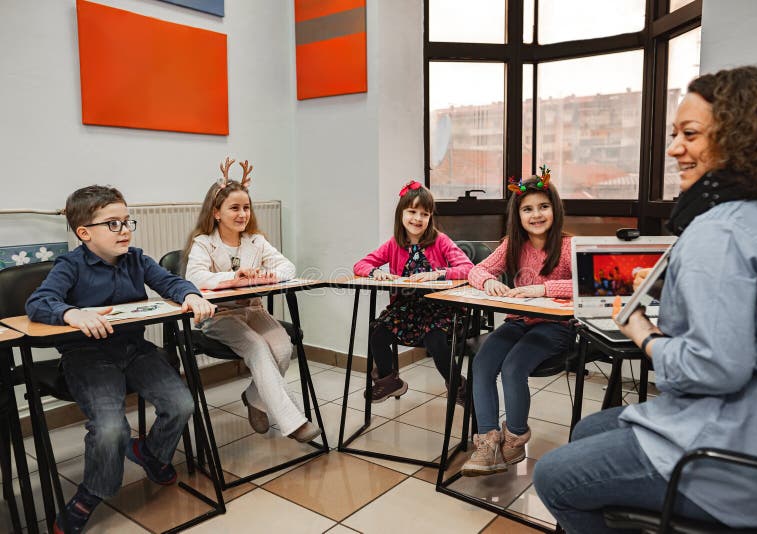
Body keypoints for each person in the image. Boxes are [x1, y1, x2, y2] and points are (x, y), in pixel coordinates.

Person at [533, 65, 757, 532]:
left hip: (741, 463)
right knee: (589, 428)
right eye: (674, 133)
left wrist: (644, 333)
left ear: (741, 139)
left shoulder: (718, 231)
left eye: (690, 134)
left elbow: (715, 368)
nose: (674, 148)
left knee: (554, 475)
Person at [26, 185, 215, 534]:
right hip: (87, 356)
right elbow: (38, 303)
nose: (124, 229)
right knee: (111, 428)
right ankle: (92, 491)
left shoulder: (137, 259)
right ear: (84, 233)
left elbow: (170, 281)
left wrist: (191, 294)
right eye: (112, 223)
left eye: (127, 221)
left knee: (181, 404)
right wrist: (71, 314)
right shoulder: (69, 265)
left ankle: (151, 453)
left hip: (134, 350)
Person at [184, 158, 320, 442]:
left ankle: (254, 398)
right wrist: (232, 278)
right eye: (234, 208)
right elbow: (195, 278)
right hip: (219, 315)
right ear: (217, 212)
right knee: (258, 347)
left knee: (282, 346)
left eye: (246, 207)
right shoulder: (203, 243)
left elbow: (287, 268)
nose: (242, 213)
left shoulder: (256, 241)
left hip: (253, 310)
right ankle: (292, 422)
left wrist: (265, 276)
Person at [461, 168, 574, 477]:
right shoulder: (512, 244)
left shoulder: (566, 247)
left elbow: (585, 285)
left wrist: (544, 288)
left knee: (513, 368)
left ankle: (515, 436)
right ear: (518, 215)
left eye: (543, 206)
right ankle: (487, 442)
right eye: (527, 209)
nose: (536, 214)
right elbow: (476, 270)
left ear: (555, 209)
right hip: (516, 322)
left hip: (554, 327)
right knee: (482, 364)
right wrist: (488, 284)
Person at [353, 180, 473, 403]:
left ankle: (458, 387)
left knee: (435, 340)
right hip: (405, 309)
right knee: (377, 333)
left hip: (440, 308)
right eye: (412, 211)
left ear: (430, 217)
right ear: (401, 213)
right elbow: (360, 265)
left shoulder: (441, 241)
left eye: (424, 214)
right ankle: (389, 381)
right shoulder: (394, 244)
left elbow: (468, 269)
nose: (418, 219)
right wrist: (374, 272)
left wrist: (438, 273)